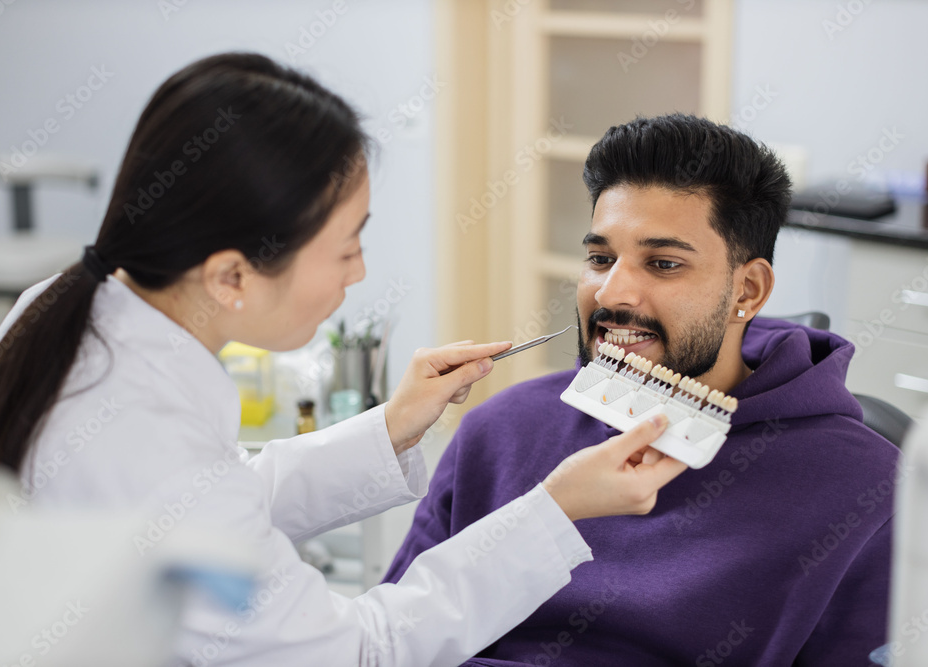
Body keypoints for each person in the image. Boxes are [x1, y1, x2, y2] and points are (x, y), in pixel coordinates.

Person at [0, 53, 688, 666]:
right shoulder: (142, 428)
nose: (358, 273)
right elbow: (361, 652)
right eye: (346, 246)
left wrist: (390, 426)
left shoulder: (73, 301)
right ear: (232, 275)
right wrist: (555, 513)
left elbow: (213, 498)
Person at [385, 114, 901, 666]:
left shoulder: (869, 492)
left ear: (746, 290)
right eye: (601, 258)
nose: (612, 291)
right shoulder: (501, 428)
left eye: (662, 263)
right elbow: (385, 641)